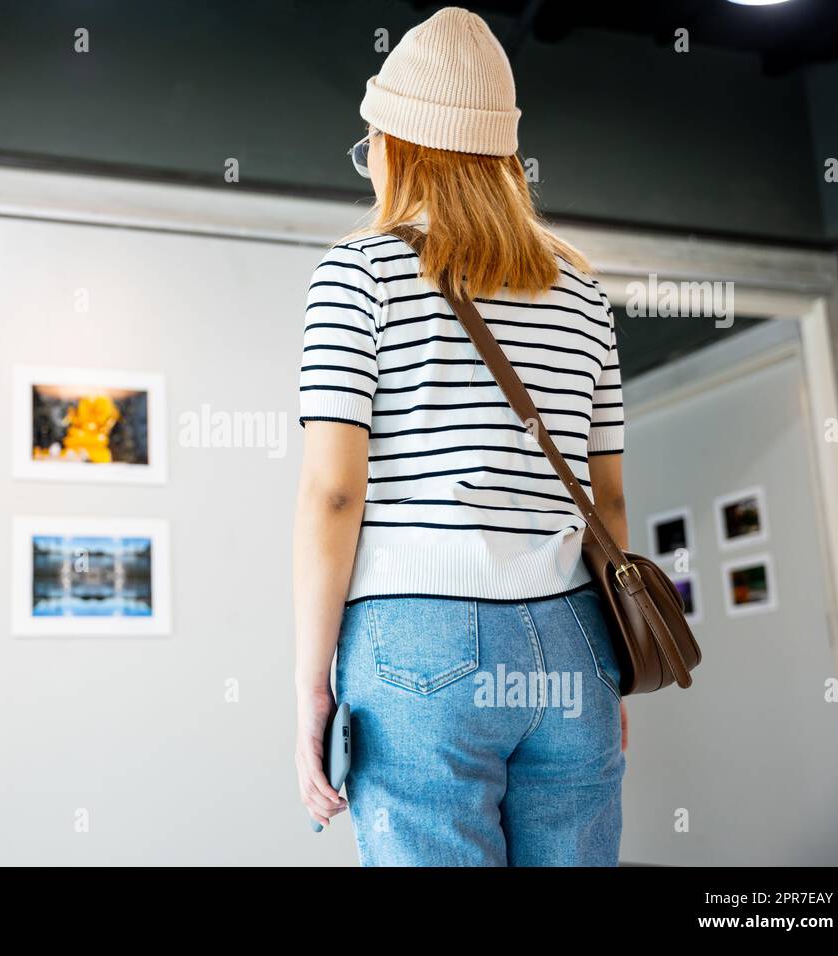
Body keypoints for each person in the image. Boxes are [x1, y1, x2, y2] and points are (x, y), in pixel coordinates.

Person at [293, 7, 630, 866]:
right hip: (574, 636)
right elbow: (608, 497)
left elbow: (335, 492)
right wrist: (612, 661)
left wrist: (311, 688)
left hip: (417, 641)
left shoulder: (357, 273)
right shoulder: (583, 295)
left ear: (394, 147)